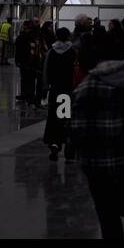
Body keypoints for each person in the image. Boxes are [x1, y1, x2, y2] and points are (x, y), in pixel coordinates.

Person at [70, 26, 124, 239]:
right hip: (122, 159)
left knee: (105, 213)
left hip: (96, 163)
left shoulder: (86, 87)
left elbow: (78, 130)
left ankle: (119, 212)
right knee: (117, 204)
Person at [43, 27, 76, 160]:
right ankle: (68, 143)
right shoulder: (73, 52)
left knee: (54, 117)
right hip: (68, 90)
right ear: (68, 36)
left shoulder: (51, 52)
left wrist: (45, 87)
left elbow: (45, 70)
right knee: (66, 118)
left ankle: (54, 143)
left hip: (55, 90)